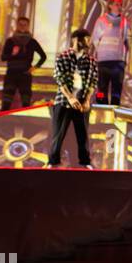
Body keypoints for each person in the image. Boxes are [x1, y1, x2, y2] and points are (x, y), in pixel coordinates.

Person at [46, 28, 98, 168]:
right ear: (77, 40)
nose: (89, 42)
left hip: (81, 101)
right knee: (58, 133)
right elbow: (60, 79)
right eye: (86, 39)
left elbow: (93, 81)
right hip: (64, 101)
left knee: (82, 134)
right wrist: (70, 97)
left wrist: (87, 99)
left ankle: (85, 161)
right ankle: (53, 161)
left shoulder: (90, 60)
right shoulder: (63, 57)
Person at [0, 16, 47, 110]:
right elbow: (3, 57)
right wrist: (12, 54)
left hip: (25, 74)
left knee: (26, 103)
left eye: (25, 25)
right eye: (20, 24)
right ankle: (3, 122)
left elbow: (43, 56)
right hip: (11, 73)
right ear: (17, 25)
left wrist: (34, 67)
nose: (22, 27)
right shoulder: (10, 41)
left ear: (28, 26)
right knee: (6, 102)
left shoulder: (32, 42)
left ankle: (25, 123)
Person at [91, 0, 130, 106]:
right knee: (101, 87)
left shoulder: (124, 21)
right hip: (104, 60)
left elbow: (126, 38)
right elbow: (95, 38)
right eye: (117, 4)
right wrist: (101, 51)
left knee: (116, 88)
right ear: (110, 6)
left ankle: (115, 110)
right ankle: (100, 108)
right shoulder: (102, 20)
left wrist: (124, 55)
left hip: (118, 60)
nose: (119, 7)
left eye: (120, 4)